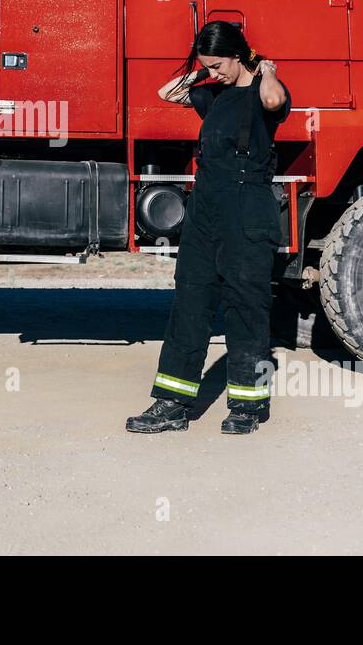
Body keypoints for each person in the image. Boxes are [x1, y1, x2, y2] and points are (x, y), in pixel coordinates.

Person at [126, 21, 291, 435]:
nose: (213, 73)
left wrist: (265, 67)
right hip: (206, 207)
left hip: (248, 206)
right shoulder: (211, 95)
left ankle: (247, 406)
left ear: (238, 55)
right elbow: (167, 92)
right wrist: (204, 70)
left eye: (219, 64)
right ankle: (172, 404)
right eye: (208, 67)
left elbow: (274, 99)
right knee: (190, 301)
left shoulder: (263, 91)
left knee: (246, 305)